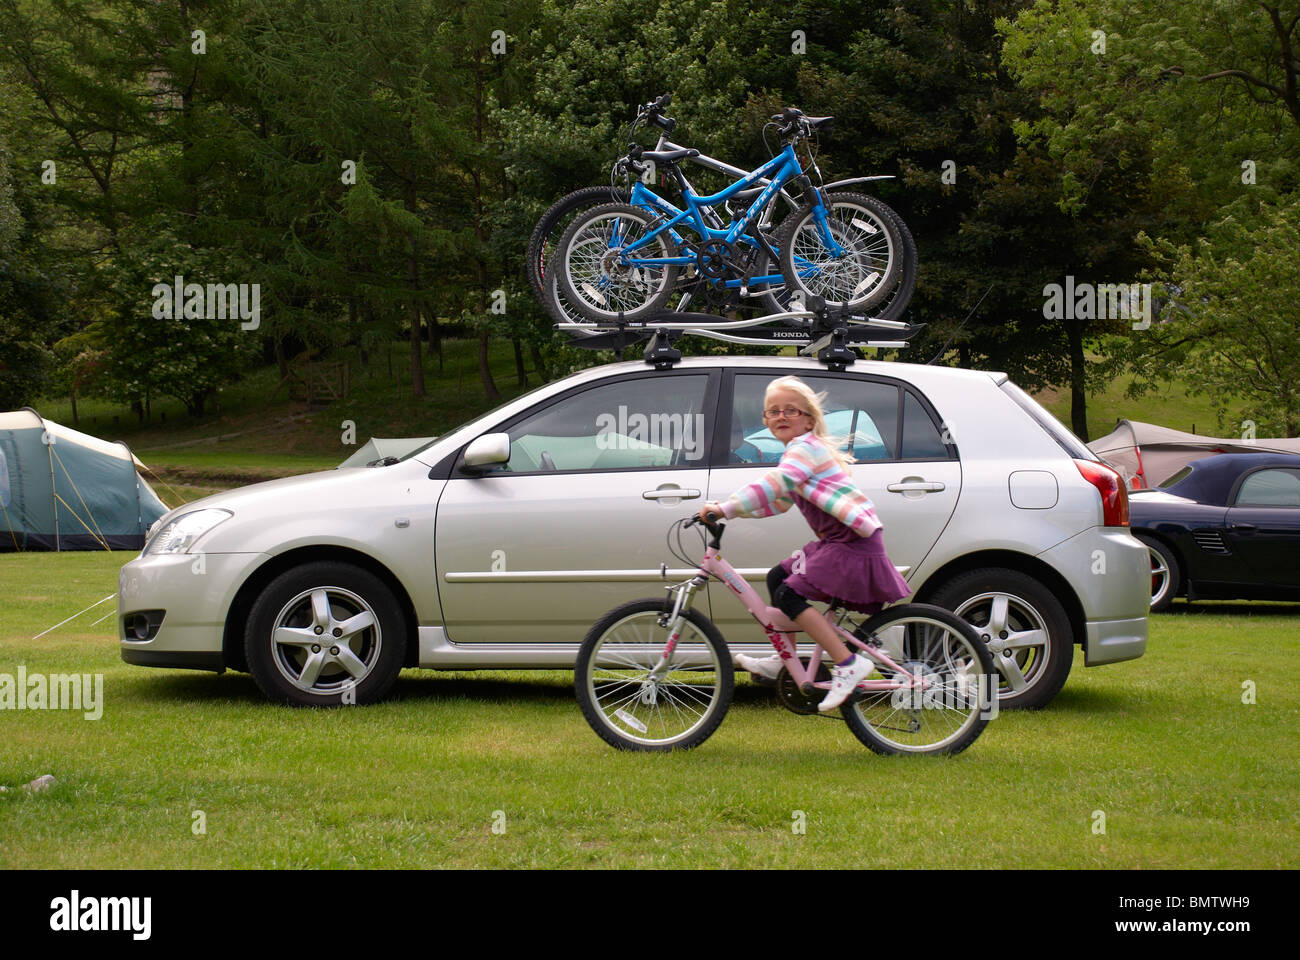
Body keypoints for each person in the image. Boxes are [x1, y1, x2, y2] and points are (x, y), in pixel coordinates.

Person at [698, 376, 910, 712]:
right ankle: (786, 660)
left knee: (788, 595)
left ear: (809, 419)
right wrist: (734, 515)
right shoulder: (797, 453)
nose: (781, 417)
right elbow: (778, 502)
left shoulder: (804, 449)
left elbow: (776, 483)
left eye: (790, 411)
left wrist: (726, 507)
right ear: (765, 421)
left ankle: (847, 663)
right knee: (776, 578)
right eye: (773, 412)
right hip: (838, 541)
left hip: (852, 543)